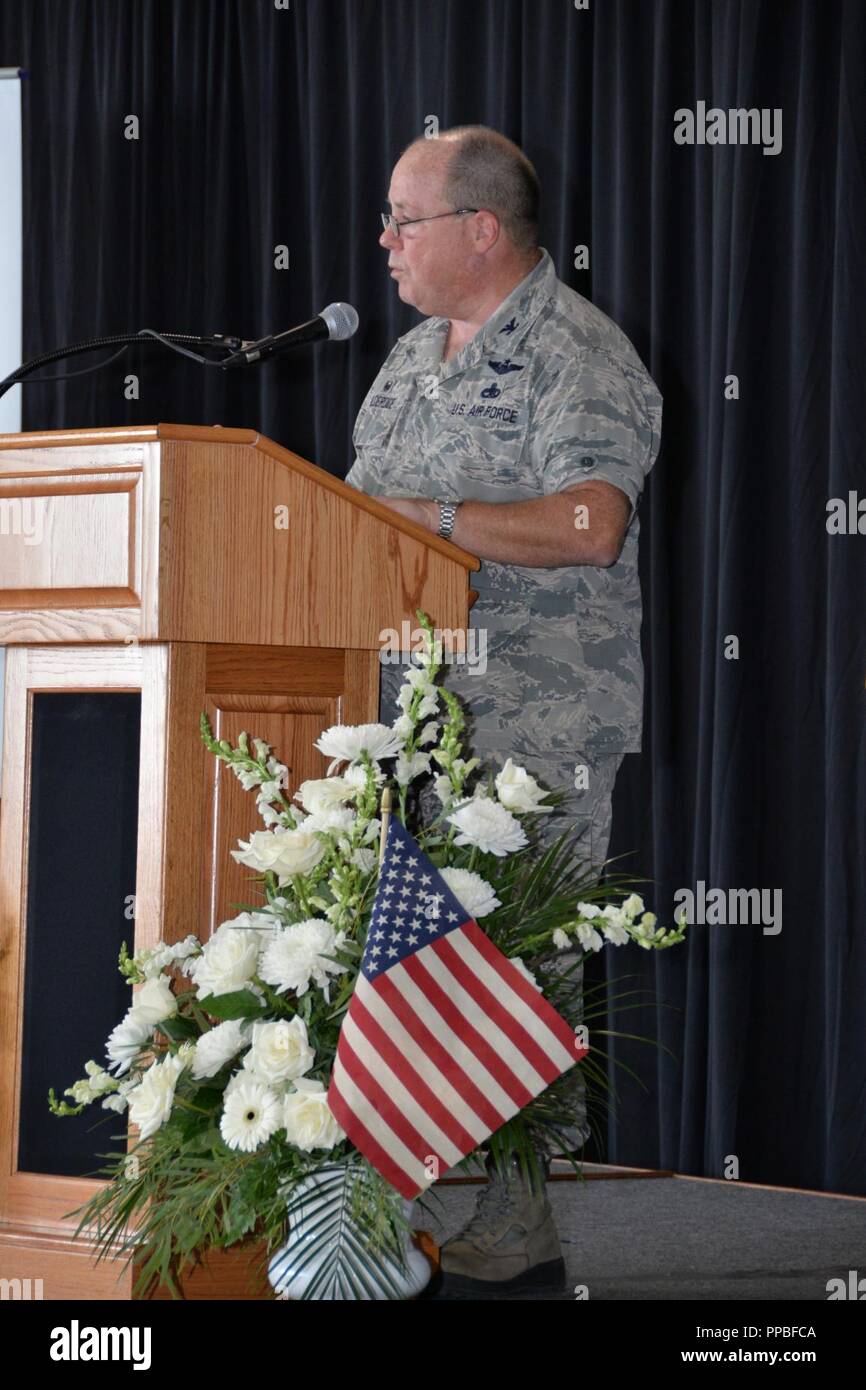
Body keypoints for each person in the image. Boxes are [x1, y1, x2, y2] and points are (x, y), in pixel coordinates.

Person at [344, 125, 662, 1295]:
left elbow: (591, 525)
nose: (383, 240)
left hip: (538, 725)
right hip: (399, 719)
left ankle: (520, 1211)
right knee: (401, 963)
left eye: (402, 219)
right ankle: (376, 1197)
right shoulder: (410, 359)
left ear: (479, 229)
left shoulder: (577, 353)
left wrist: (431, 515)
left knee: (522, 971)